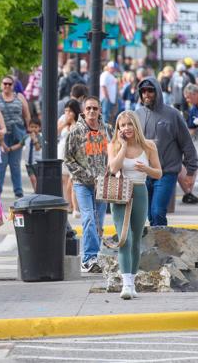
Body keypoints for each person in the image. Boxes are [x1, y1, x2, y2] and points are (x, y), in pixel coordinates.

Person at [107, 112, 162, 299]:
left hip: (139, 192)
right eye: (122, 125)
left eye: (129, 124)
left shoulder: (148, 146)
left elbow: (159, 173)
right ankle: (126, 285)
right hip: (120, 195)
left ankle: (132, 281)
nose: (126, 128)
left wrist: (146, 169)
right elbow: (113, 168)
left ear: (136, 125)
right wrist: (122, 147)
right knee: (125, 238)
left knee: (136, 238)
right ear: (118, 128)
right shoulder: (114, 145)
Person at [134, 77, 198, 217]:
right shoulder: (136, 115)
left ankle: (161, 239)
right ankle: (158, 239)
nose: (146, 94)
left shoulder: (173, 115)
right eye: (143, 91)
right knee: (149, 215)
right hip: (143, 173)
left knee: (158, 212)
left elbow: (187, 144)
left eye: (150, 90)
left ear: (157, 91)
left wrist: (190, 171)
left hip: (166, 173)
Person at [65, 96, 112, 273]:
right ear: (83, 111)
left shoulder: (107, 130)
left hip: (103, 183)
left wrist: (111, 171)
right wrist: (85, 175)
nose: (92, 111)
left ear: (100, 110)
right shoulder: (76, 131)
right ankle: (88, 257)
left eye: (95, 108)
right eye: (89, 108)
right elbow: (68, 159)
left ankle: (96, 257)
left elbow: (113, 153)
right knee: (89, 218)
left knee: (98, 221)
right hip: (82, 184)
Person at [0, 75, 31, 198]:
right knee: (1, 165)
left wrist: (28, 129)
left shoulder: (19, 97)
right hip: (2, 136)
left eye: (10, 84)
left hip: (17, 135)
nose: (7, 86)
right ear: (1, 85)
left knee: (15, 164)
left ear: (13, 85)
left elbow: (27, 115)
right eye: (5, 83)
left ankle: (18, 191)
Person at [58, 100, 83, 216]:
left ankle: (73, 205)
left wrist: (72, 121)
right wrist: (65, 123)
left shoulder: (78, 123)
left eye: (70, 111)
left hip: (72, 156)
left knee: (71, 181)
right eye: (66, 110)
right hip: (62, 152)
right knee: (64, 181)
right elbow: (56, 131)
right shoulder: (63, 119)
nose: (67, 113)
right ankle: (68, 204)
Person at [24, 118, 43, 192]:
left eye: (36, 127)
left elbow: (38, 148)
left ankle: (38, 192)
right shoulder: (26, 137)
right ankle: (36, 191)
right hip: (28, 163)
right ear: (28, 127)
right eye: (32, 127)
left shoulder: (40, 137)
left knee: (38, 179)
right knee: (32, 178)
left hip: (37, 162)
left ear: (39, 128)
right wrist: (9, 149)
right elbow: (20, 144)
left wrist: (35, 140)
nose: (33, 129)